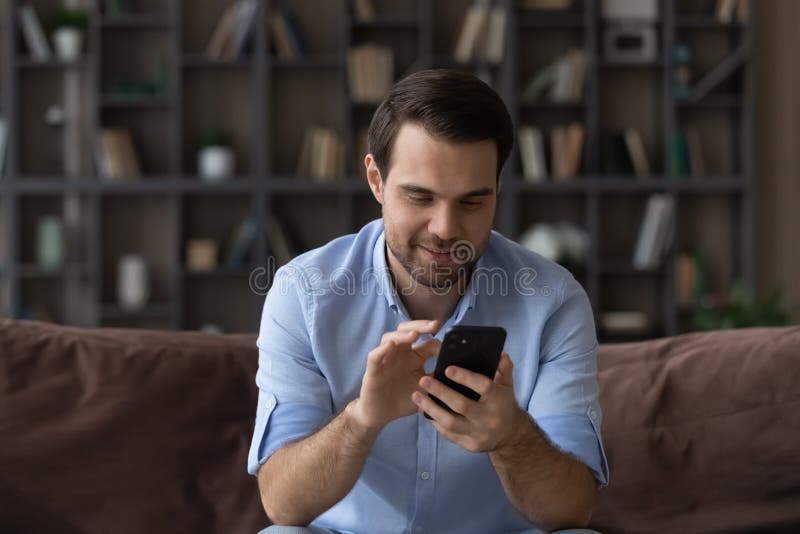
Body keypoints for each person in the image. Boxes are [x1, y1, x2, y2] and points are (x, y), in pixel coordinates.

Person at [248, 69, 608, 534]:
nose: (444, 228)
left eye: (472, 202)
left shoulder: (554, 302)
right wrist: (362, 419)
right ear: (376, 180)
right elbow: (282, 504)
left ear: (498, 187)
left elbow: (572, 512)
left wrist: (510, 436)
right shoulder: (302, 293)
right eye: (420, 196)